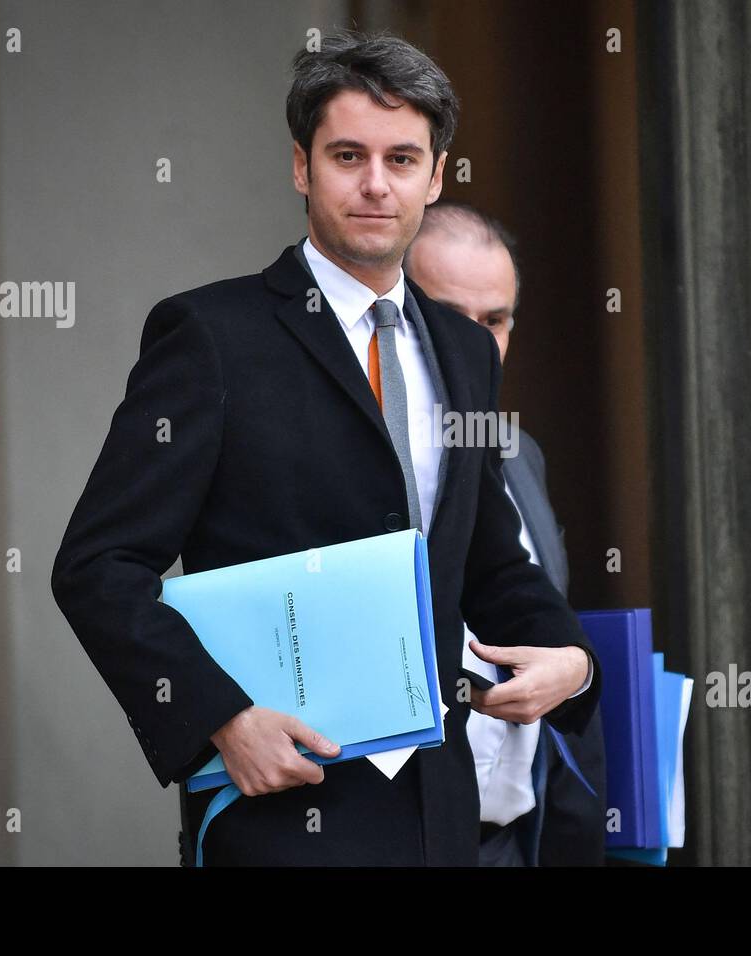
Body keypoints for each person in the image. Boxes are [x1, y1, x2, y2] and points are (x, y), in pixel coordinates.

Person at [49, 29, 600, 866]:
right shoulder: (210, 337)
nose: (376, 184)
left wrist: (571, 657)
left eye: (403, 159)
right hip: (280, 811)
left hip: (440, 817)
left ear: (436, 176)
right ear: (302, 168)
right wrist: (219, 719)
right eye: (348, 155)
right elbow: (100, 565)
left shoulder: (463, 351)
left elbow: (486, 557)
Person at [405, 201, 607, 866]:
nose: (477, 346)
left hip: (518, 836)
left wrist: (574, 670)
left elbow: (537, 616)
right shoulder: (356, 448)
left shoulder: (521, 455)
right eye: (451, 319)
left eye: (495, 321)